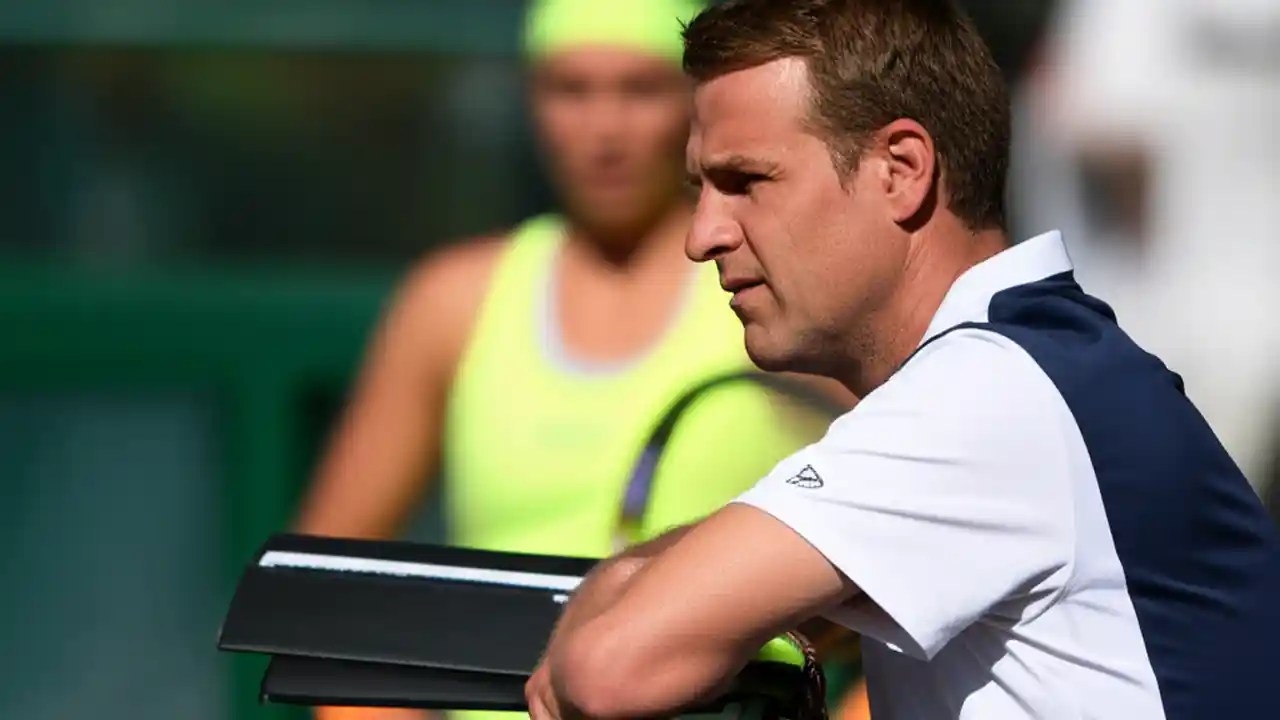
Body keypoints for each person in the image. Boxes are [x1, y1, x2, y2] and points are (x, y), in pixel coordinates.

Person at [525, 1, 1280, 719]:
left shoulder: (986, 393)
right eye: (701, 188)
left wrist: (641, 576)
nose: (704, 235)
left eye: (746, 182)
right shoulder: (1042, 366)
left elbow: (609, 668)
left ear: (901, 169)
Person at [293, 1, 856, 719]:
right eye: (571, 89)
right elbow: (328, 585)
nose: (604, 130)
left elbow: (927, 557)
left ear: (697, 102)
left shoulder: (776, 295)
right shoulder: (452, 302)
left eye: (640, 89)